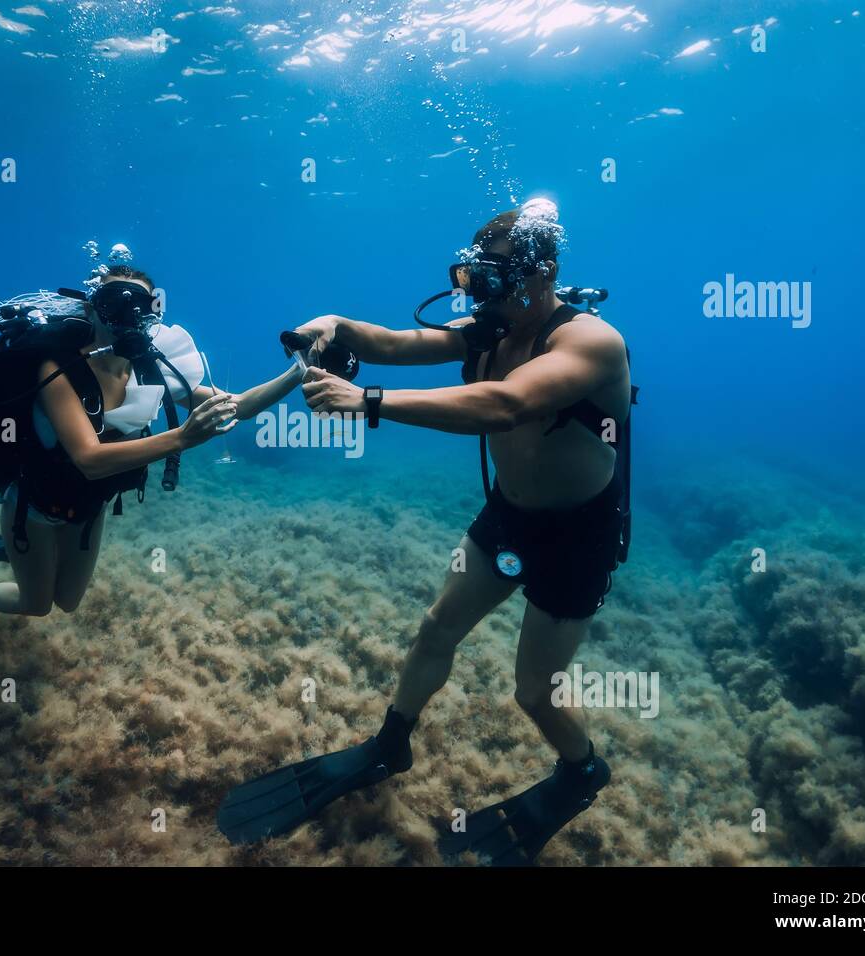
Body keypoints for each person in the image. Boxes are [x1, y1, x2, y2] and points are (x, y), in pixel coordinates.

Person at [216, 199, 633, 864]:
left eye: (493, 283)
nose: (481, 299)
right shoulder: (492, 329)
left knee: (534, 691)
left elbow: (506, 403)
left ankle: (582, 770)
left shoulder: (592, 343)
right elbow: (402, 343)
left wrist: (368, 402)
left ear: (543, 272)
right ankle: (390, 743)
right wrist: (337, 325)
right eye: (475, 282)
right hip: (509, 516)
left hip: (579, 536)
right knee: (437, 627)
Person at [0, 264, 302, 624]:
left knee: (67, 601)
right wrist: (182, 436)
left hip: (91, 506)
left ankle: (29, 558)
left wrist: (299, 371)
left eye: (141, 303)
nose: (127, 312)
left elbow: (235, 405)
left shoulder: (149, 368)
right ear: (91, 308)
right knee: (37, 604)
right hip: (35, 508)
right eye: (112, 300)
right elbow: (89, 459)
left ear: (152, 312)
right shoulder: (57, 369)